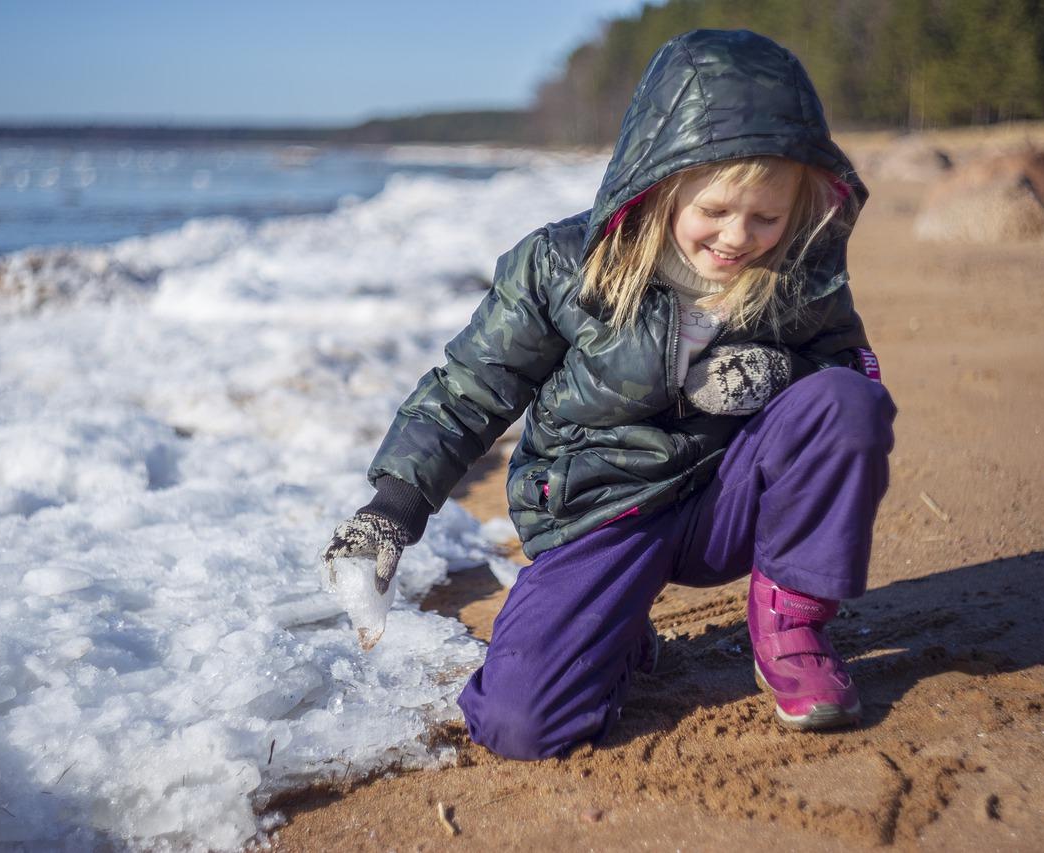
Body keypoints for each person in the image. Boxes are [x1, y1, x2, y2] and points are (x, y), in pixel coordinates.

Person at [322, 29, 896, 761]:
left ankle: (791, 625)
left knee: (847, 402)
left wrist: (780, 376)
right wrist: (393, 506)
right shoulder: (563, 267)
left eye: (766, 217)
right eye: (715, 209)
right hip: (600, 508)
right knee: (521, 726)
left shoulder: (797, 273)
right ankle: (615, 630)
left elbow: (844, 374)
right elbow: (472, 386)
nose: (738, 236)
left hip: (724, 500)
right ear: (662, 181)